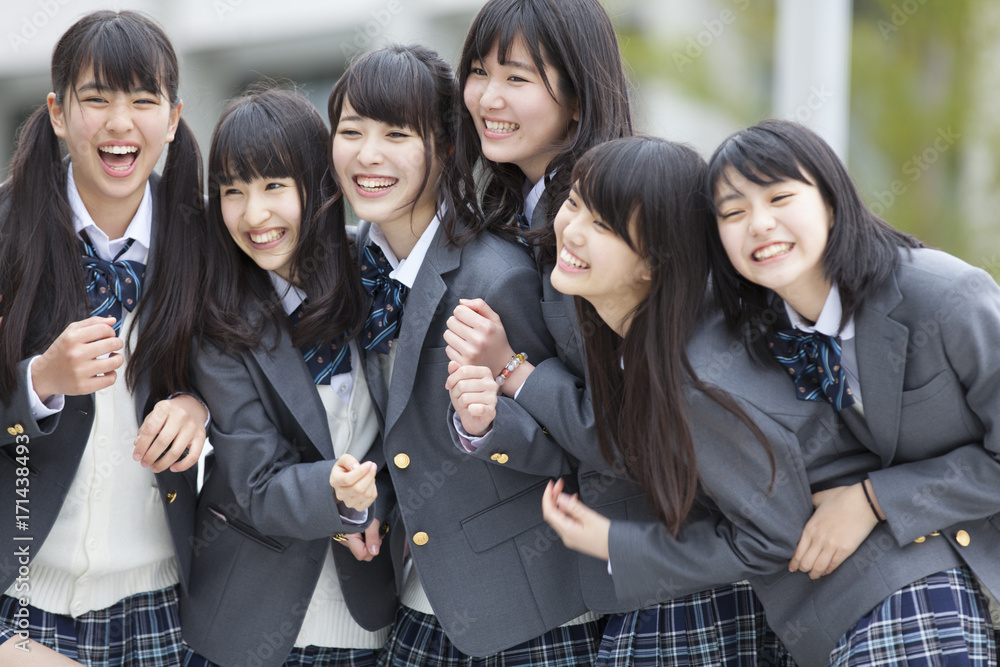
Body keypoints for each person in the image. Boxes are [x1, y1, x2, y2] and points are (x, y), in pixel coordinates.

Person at [445, 0, 795, 662]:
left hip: (683, 573)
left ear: (578, 99)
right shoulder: (527, 212)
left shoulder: (617, 226)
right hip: (623, 574)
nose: (488, 97)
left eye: (518, 78)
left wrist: (516, 372)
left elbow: (643, 428)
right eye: (478, 72)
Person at [329, 43, 602, 665]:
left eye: (397, 134)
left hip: (526, 616)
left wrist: (484, 424)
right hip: (416, 609)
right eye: (350, 131)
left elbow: (569, 447)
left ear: (448, 147)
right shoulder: (348, 268)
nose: (368, 155)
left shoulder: (497, 273)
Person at [705, 118, 1000, 665]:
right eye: (733, 211)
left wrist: (873, 499)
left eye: (780, 196)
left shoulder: (946, 296)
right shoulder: (764, 334)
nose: (759, 224)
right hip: (892, 591)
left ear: (832, 202)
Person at [0, 10, 211, 665]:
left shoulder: (205, 242)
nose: (121, 123)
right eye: (97, 98)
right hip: (20, 597)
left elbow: (256, 380)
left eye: (143, 100)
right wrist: (39, 381)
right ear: (59, 113)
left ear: (172, 119)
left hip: (164, 605)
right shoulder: (7, 232)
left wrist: (200, 406)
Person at [180, 87, 395, 667]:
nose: (254, 215)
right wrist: (344, 499)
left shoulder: (377, 278)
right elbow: (256, 483)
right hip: (248, 617)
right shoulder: (219, 317)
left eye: (274, 185)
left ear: (319, 183)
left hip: (372, 619)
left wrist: (379, 503)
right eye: (233, 191)